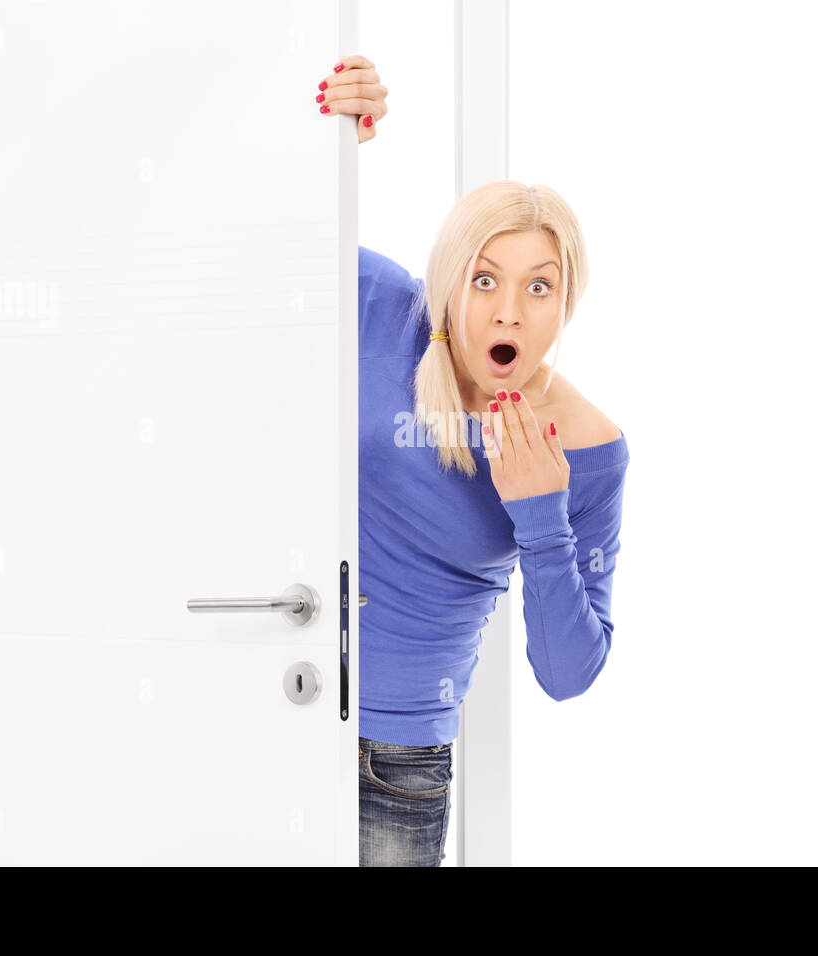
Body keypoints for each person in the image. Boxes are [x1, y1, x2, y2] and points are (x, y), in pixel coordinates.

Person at [318, 56, 630, 866]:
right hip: (275, 695)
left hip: (399, 762)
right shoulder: (379, 307)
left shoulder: (591, 448)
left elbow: (568, 673)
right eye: (486, 278)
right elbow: (244, 215)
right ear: (450, 278)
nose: (508, 311)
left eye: (539, 287)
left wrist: (540, 515)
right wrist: (319, 128)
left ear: (568, 301)